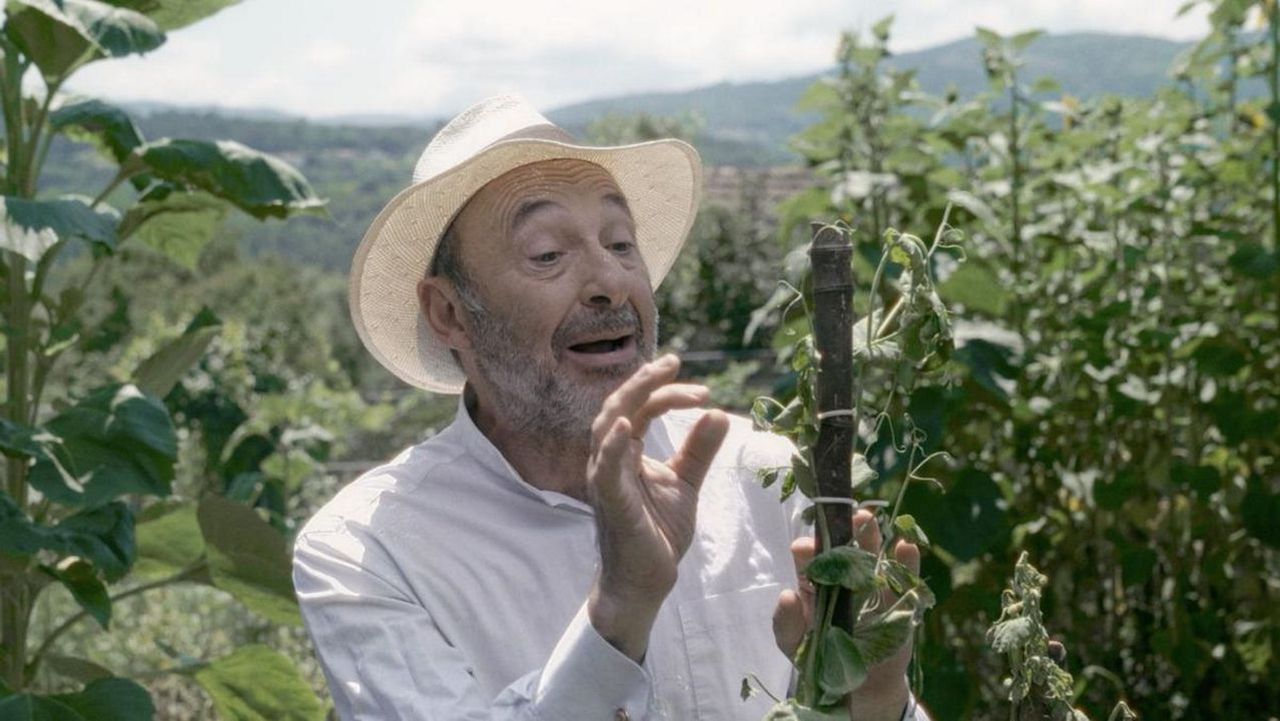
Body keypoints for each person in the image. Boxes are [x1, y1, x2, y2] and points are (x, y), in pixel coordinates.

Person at [294, 94, 928, 721]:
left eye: (621, 244)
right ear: (449, 314)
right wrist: (620, 608)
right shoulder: (370, 550)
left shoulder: (764, 476)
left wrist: (877, 704)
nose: (612, 282)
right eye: (547, 254)